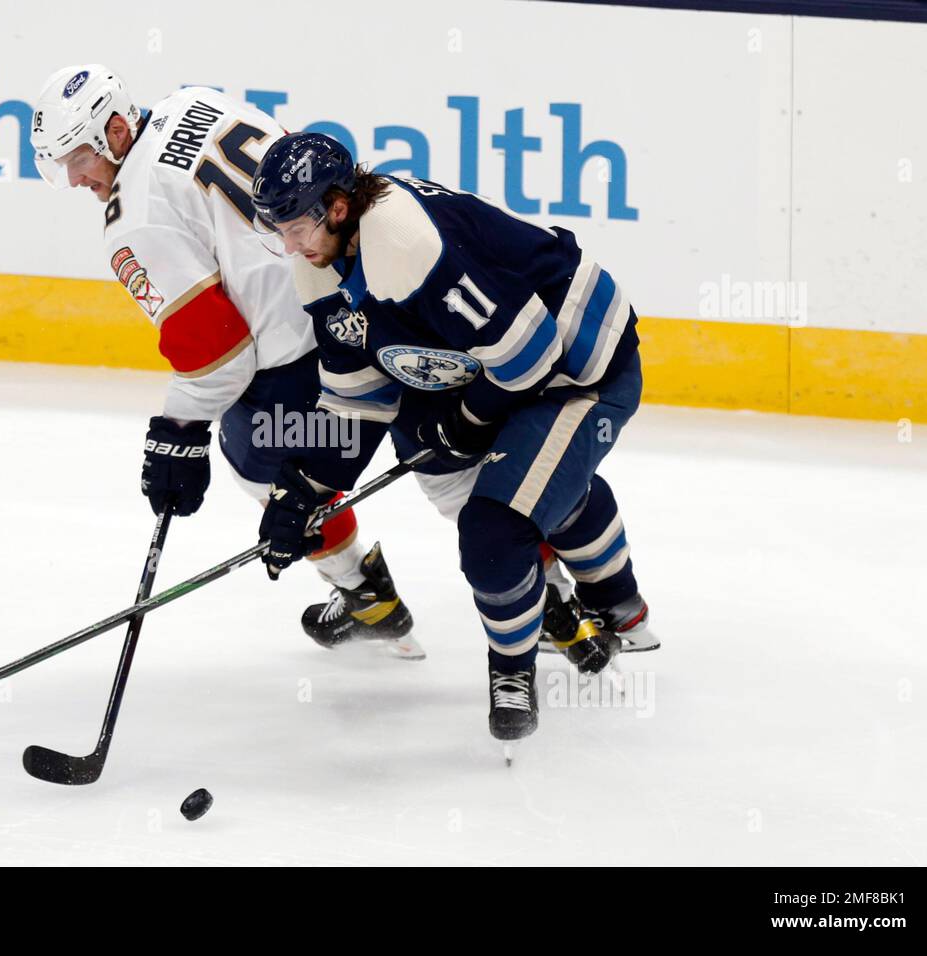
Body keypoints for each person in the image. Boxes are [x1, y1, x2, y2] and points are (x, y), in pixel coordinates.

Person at [250, 132, 655, 742]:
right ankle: (609, 598)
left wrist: (465, 422)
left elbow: (530, 350)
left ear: (337, 206)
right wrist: (303, 489)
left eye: (296, 225)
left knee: (494, 531)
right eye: (277, 229)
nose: (289, 244)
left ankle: (517, 671)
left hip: (577, 366)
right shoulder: (319, 261)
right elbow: (360, 396)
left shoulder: (404, 241)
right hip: (479, 361)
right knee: (474, 480)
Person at [29, 67, 420, 656]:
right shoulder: (196, 100)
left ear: (114, 129)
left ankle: (370, 598)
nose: (75, 177)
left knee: (259, 461)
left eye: (79, 157)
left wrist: (177, 431)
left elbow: (219, 359)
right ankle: (555, 601)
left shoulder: (131, 219)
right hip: (370, 296)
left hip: (300, 358)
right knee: (458, 462)